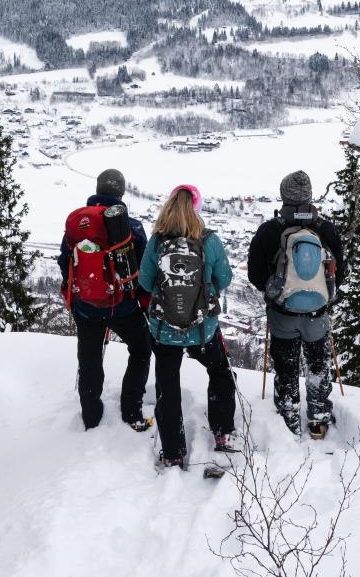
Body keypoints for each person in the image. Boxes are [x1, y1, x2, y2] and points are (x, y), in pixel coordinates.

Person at [138, 184, 235, 468]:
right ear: (197, 208)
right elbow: (224, 278)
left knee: (168, 386)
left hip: (164, 330)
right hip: (202, 328)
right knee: (220, 371)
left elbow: (145, 281)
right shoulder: (209, 240)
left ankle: (173, 452)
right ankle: (222, 432)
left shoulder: (157, 241)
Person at [247, 170, 346, 439]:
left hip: (283, 313)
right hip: (317, 313)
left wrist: (274, 292)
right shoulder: (326, 229)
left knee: (287, 366)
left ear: (284, 196)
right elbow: (341, 271)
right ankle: (318, 419)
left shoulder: (270, 230)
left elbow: (255, 273)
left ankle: (289, 417)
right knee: (318, 364)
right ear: (309, 196)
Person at [58, 167, 152, 431]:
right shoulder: (131, 226)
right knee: (141, 349)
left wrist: (78, 292)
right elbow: (144, 270)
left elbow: (65, 261)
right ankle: (131, 411)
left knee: (89, 358)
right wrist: (142, 302)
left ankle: (91, 415)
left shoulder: (77, 224)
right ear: (121, 193)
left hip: (85, 308)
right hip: (123, 307)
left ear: (97, 189)